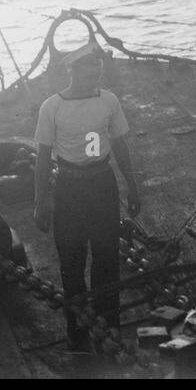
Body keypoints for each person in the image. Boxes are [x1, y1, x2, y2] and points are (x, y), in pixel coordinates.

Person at [34, 45, 141, 350]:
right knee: (72, 261)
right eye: (87, 67)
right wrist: (41, 201)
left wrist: (132, 187)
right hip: (68, 188)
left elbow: (120, 145)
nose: (94, 72)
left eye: (97, 66)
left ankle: (109, 326)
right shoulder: (51, 107)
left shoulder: (109, 100)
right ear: (72, 70)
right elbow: (42, 157)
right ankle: (78, 331)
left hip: (102, 185)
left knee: (107, 259)